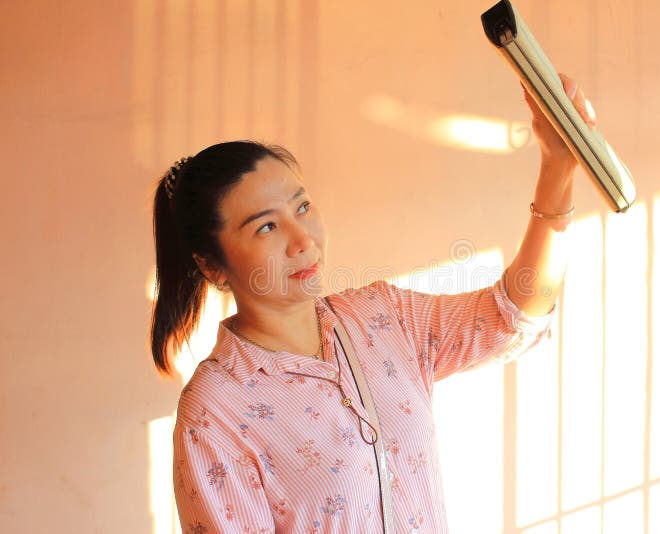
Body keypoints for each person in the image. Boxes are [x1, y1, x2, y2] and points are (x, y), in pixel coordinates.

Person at [150, 74, 596, 533]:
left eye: (301, 207)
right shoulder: (214, 413)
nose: (302, 240)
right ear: (212, 266)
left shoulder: (381, 317)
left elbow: (513, 317)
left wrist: (557, 168)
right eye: (266, 227)